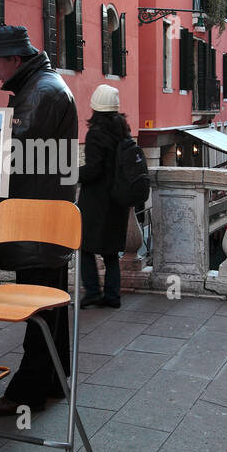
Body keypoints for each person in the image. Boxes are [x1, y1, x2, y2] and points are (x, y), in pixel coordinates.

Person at [0, 25, 78, 417]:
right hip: (45, 220)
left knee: (35, 309)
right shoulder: (44, 86)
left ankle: (27, 392)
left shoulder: (40, 93)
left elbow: (9, 154)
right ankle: (54, 379)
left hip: (35, 222)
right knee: (49, 306)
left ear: (16, 60)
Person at [77, 84, 130, 309]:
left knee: (84, 247)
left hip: (97, 202)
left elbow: (93, 170)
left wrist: (72, 172)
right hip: (117, 201)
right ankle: (112, 296)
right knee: (110, 253)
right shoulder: (123, 130)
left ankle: (92, 292)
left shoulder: (95, 134)